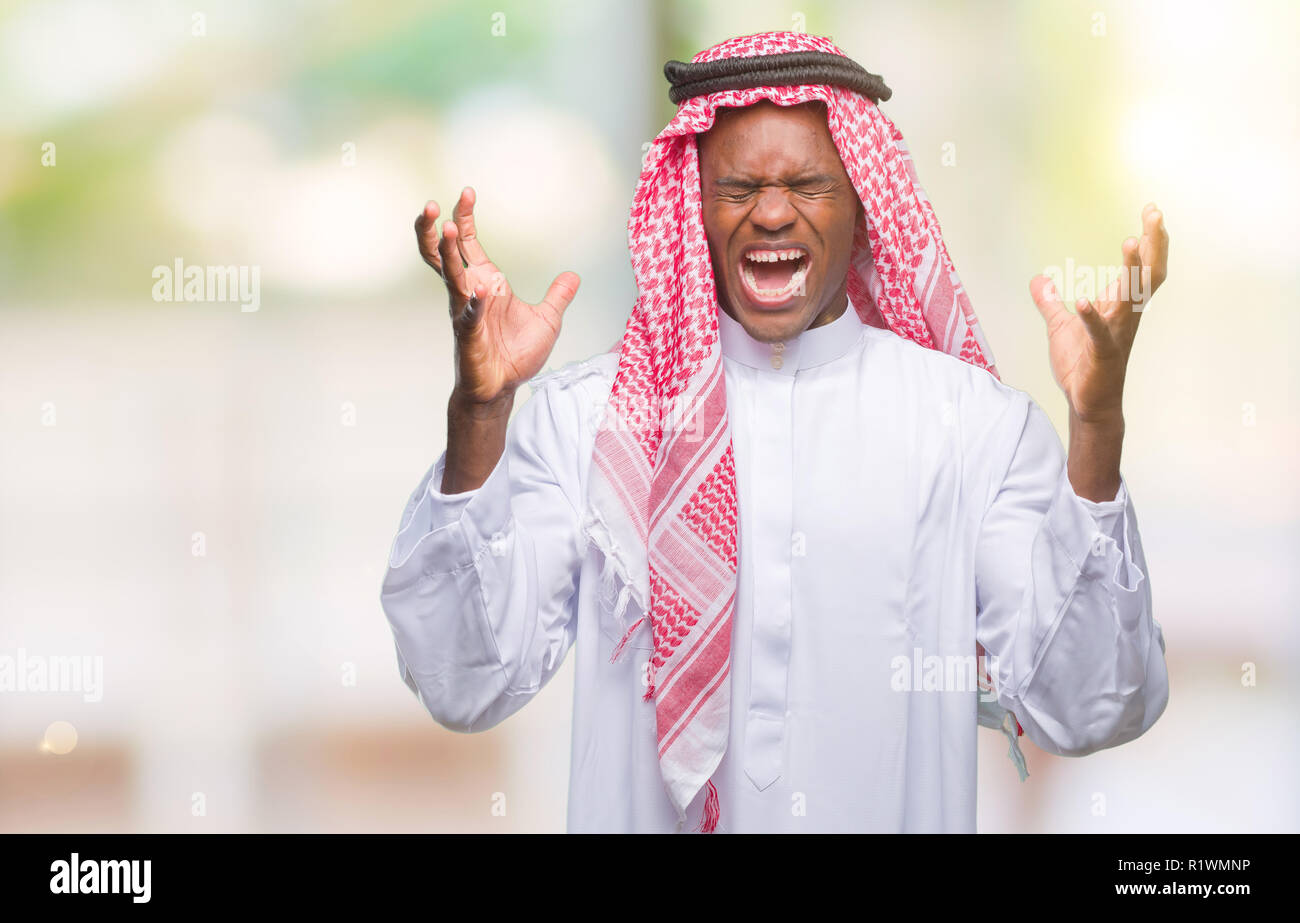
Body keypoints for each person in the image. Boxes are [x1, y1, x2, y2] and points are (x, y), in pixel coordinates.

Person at [381, 31, 1170, 833]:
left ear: (863, 202)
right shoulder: (591, 421)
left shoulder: (970, 425)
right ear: (693, 206)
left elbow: (1089, 703)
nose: (769, 212)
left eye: (807, 184)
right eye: (738, 187)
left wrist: (1096, 428)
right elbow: (464, 683)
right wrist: (478, 414)